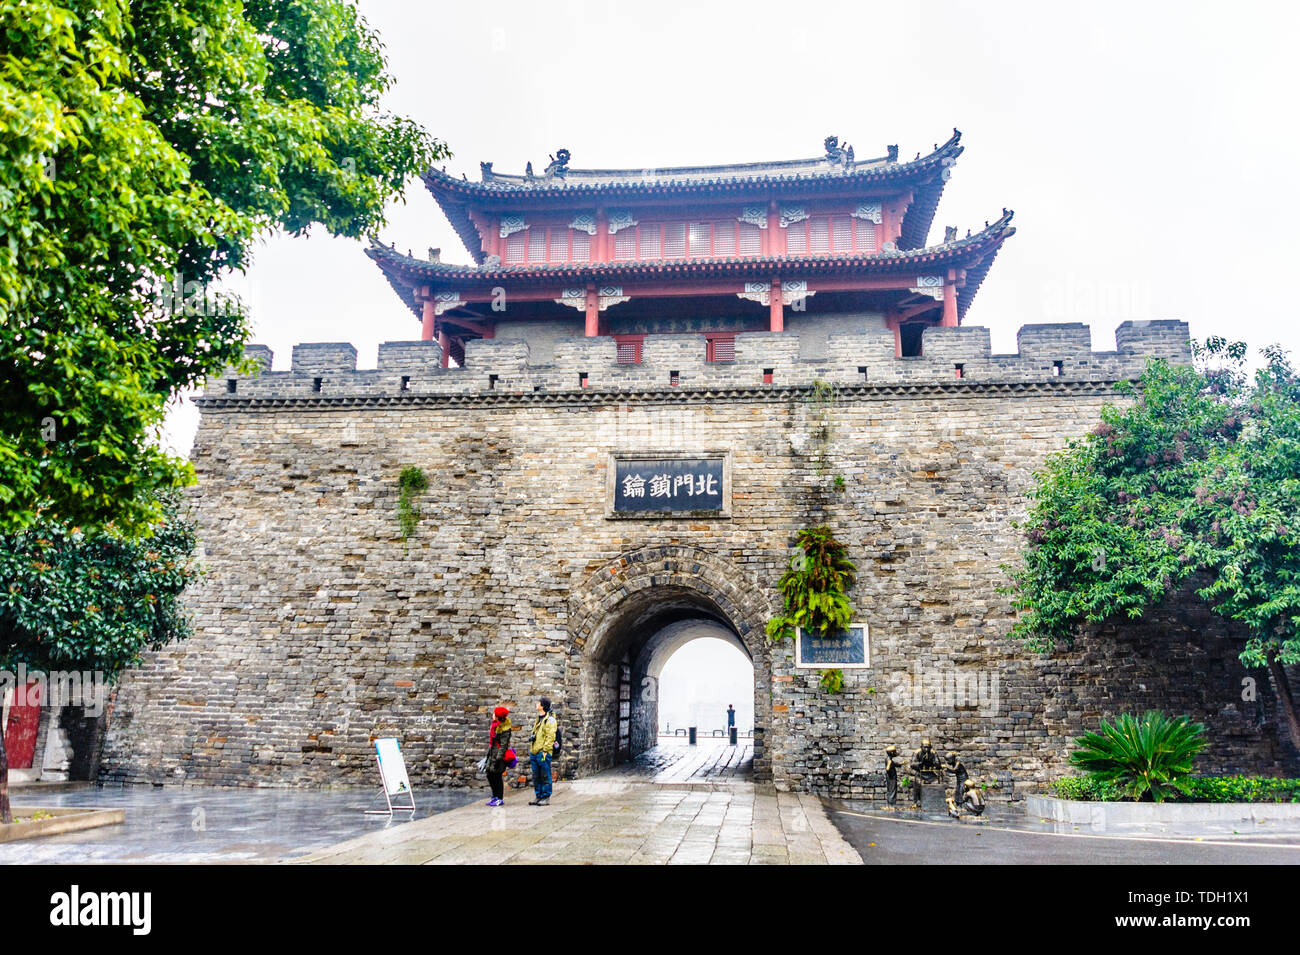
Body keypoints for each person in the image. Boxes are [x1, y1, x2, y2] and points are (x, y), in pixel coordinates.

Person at [528, 697, 557, 806]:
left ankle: (546, 796)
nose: (536, 704)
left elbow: (550, 736)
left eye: (538, 703)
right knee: (536, 775)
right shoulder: (538, 719)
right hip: (534, 751)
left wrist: (545, 750)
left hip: (543, 752)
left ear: (543, 706)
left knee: (545, 774)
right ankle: (538, 795)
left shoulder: (550, 720)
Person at [485, 705, 512, 807]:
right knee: (489, 774)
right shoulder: (495, 725)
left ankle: (499, 798)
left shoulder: (505, 728)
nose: (493, 715)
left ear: (497, 716)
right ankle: (494, 796)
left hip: (499, 756)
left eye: (494, 714)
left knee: (497, 776)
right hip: (492, 754)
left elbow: (504, 745)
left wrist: (498, 759)